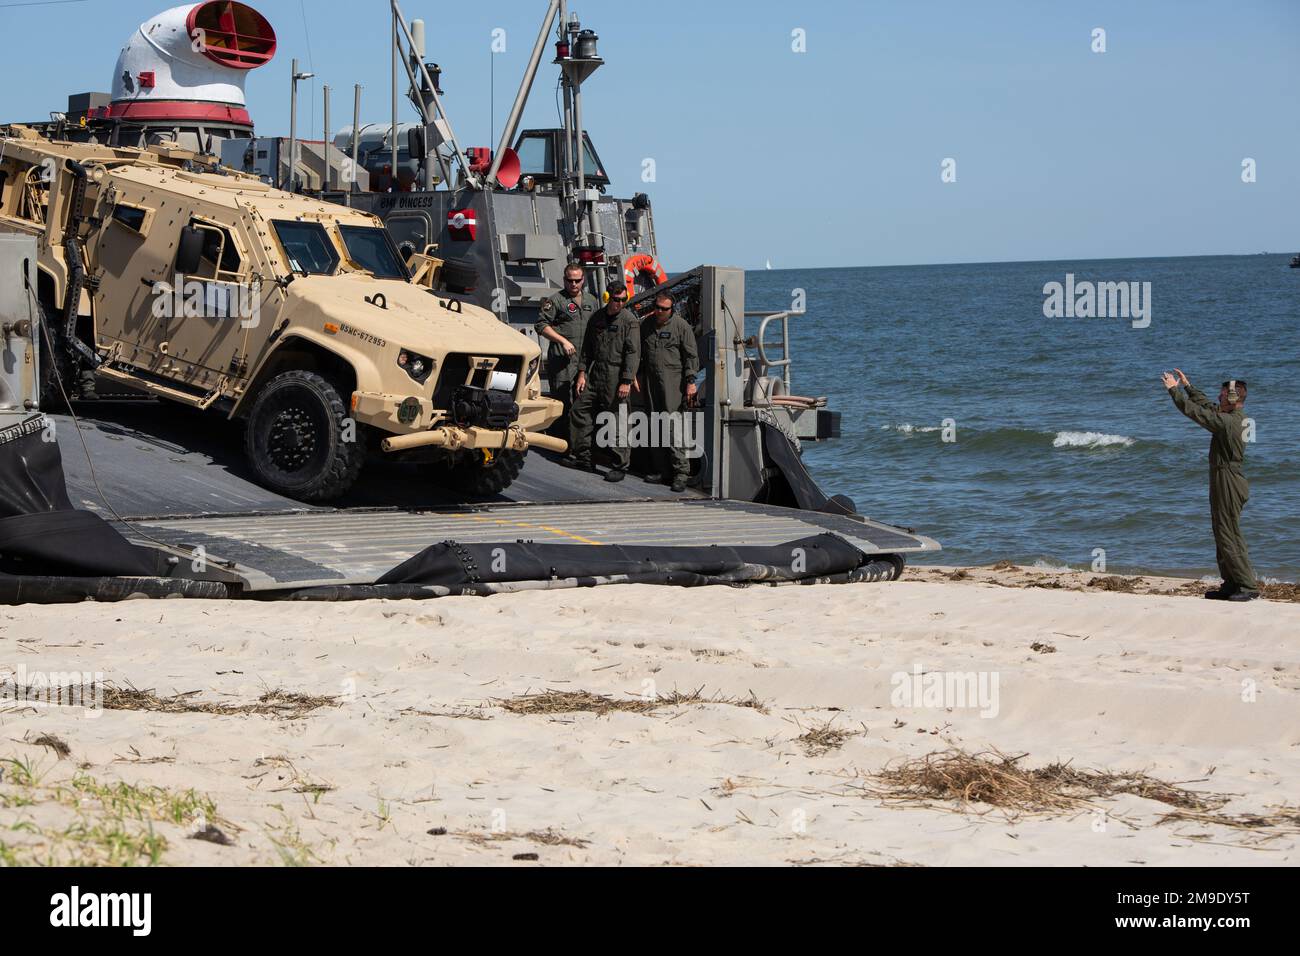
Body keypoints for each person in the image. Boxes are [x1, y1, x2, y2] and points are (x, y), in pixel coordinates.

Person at [1163, 368, 1259, 601]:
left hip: (1228, 480)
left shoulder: (1228, 422)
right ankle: (1231, 583)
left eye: (1223, 394)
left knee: (1229, 533)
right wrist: (1188, 387)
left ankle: (1247, 586)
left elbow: (1196, 413)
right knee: (1221, 531)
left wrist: (1174, 391)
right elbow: (1208, 406)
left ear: (1232, 398)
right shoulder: (1236, 417)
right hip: (1225, 478)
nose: (1218, 396)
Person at [566, 285, 641, 482]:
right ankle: (584, 457)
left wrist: (626, 381)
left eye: (623, 300)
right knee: (579, 410)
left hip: (616, 376)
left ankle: (620, 465)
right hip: (595, 373)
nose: (620, 303)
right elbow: (587, 349)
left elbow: (633, 353)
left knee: (618, 419)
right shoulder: (597, 318)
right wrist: (582, 373)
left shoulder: (629, 321)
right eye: (616, 299)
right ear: (608, 297)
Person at [639, 293, 699, 493]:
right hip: (651, 380)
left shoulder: (681, 327)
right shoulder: (646, 325)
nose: (659, 311)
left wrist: (691, 383)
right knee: (654, 423)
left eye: (664, 309)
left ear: (671, 309)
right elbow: (638, 352)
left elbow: (691, 356)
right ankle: (661, 470)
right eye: (657, 307)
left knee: (674, 426)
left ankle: (681, 473)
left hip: (673, 382)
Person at [534, 262, 597, 442]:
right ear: (564, 280)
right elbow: (541, 325)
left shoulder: (591, 301)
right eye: (570, 281)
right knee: (562, 402)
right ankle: (560, 443)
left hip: (584, 360)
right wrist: (562, 341)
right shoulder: (555, 301)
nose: (574, 284)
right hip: (563, 361)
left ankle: (580, 443)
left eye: (577, 280)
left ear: (583, 280)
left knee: (583, 402)